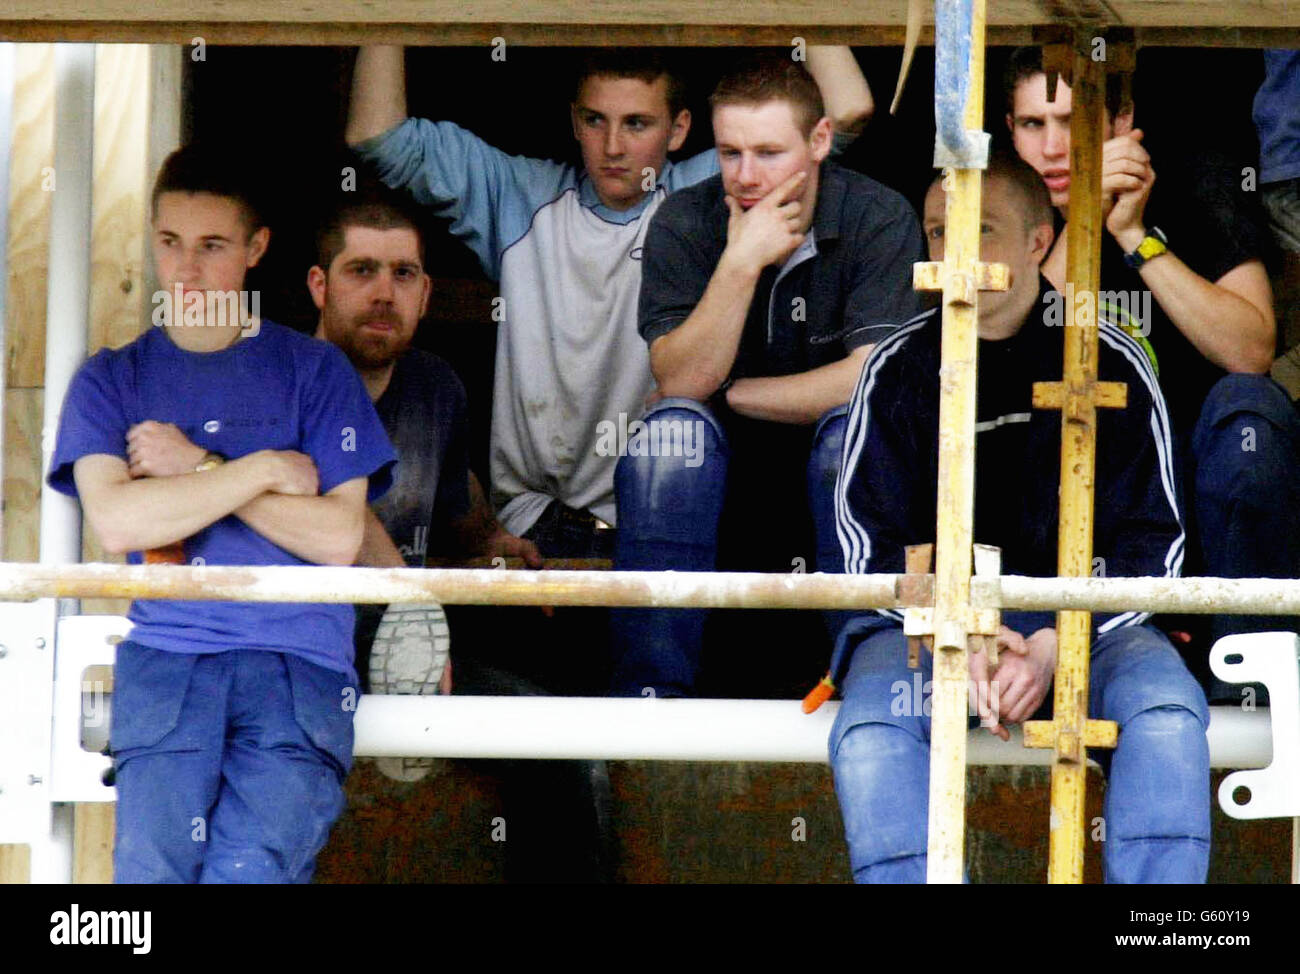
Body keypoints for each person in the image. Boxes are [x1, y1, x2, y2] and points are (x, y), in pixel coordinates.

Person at [826, 152, 1210, 884]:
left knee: (1167, 715)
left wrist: (1055, 643)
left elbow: (1155, 548)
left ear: (1040, 241)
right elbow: (865, 550)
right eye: (940, 233)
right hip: (930, 626)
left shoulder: (1111, 358)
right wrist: (957, 630)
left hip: (1091, 627)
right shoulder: (900, 364)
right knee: (873, 737)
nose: (956, 251)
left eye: (982, 229)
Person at [345, 45, 874, 556]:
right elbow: (376, 135)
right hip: (535, 525)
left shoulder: (715, 192)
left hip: (673, 520)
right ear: (574, 122)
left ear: (681, 130)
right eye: (595, 120)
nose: (614, 146)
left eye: (637, 123)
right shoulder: (517, 197)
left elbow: (846, 110)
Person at [47, 145, 396, 883]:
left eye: (211, 247)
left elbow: (339, 537)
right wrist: (265, 470)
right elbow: (119, 523)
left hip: (298, 667)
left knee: (251, 875)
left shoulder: (315, 370)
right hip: (169, 665)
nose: (186, 270)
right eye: (170, 243)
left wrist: (197, 470)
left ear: (256, 249)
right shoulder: (113, 377)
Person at [610, 54, 926, 699]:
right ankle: (649, 703)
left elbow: (872, 381)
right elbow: (680, 383)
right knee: (673, 438)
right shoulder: (686, 220)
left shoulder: (879, 215)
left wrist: (733, 393)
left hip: (841, 489)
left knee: (850, 434)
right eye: (730, 154)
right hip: (721, 490)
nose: (746, 177)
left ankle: (867, 681)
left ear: (819, 141)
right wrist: (740, 263)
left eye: (768, 152)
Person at [1004, 47, 1300, 695]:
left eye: (1073, 122)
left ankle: (1244, 680)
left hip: (1194, 499)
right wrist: (1079, 223)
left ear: (1122, 121)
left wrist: (1137, 238)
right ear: (1008, 130)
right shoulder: (999, 210)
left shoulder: (1192, 184)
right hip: (1062, 504)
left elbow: (1251, 350)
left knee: (1248, 413)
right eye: (1032, 125)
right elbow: (1000, 376)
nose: (1054, 147)